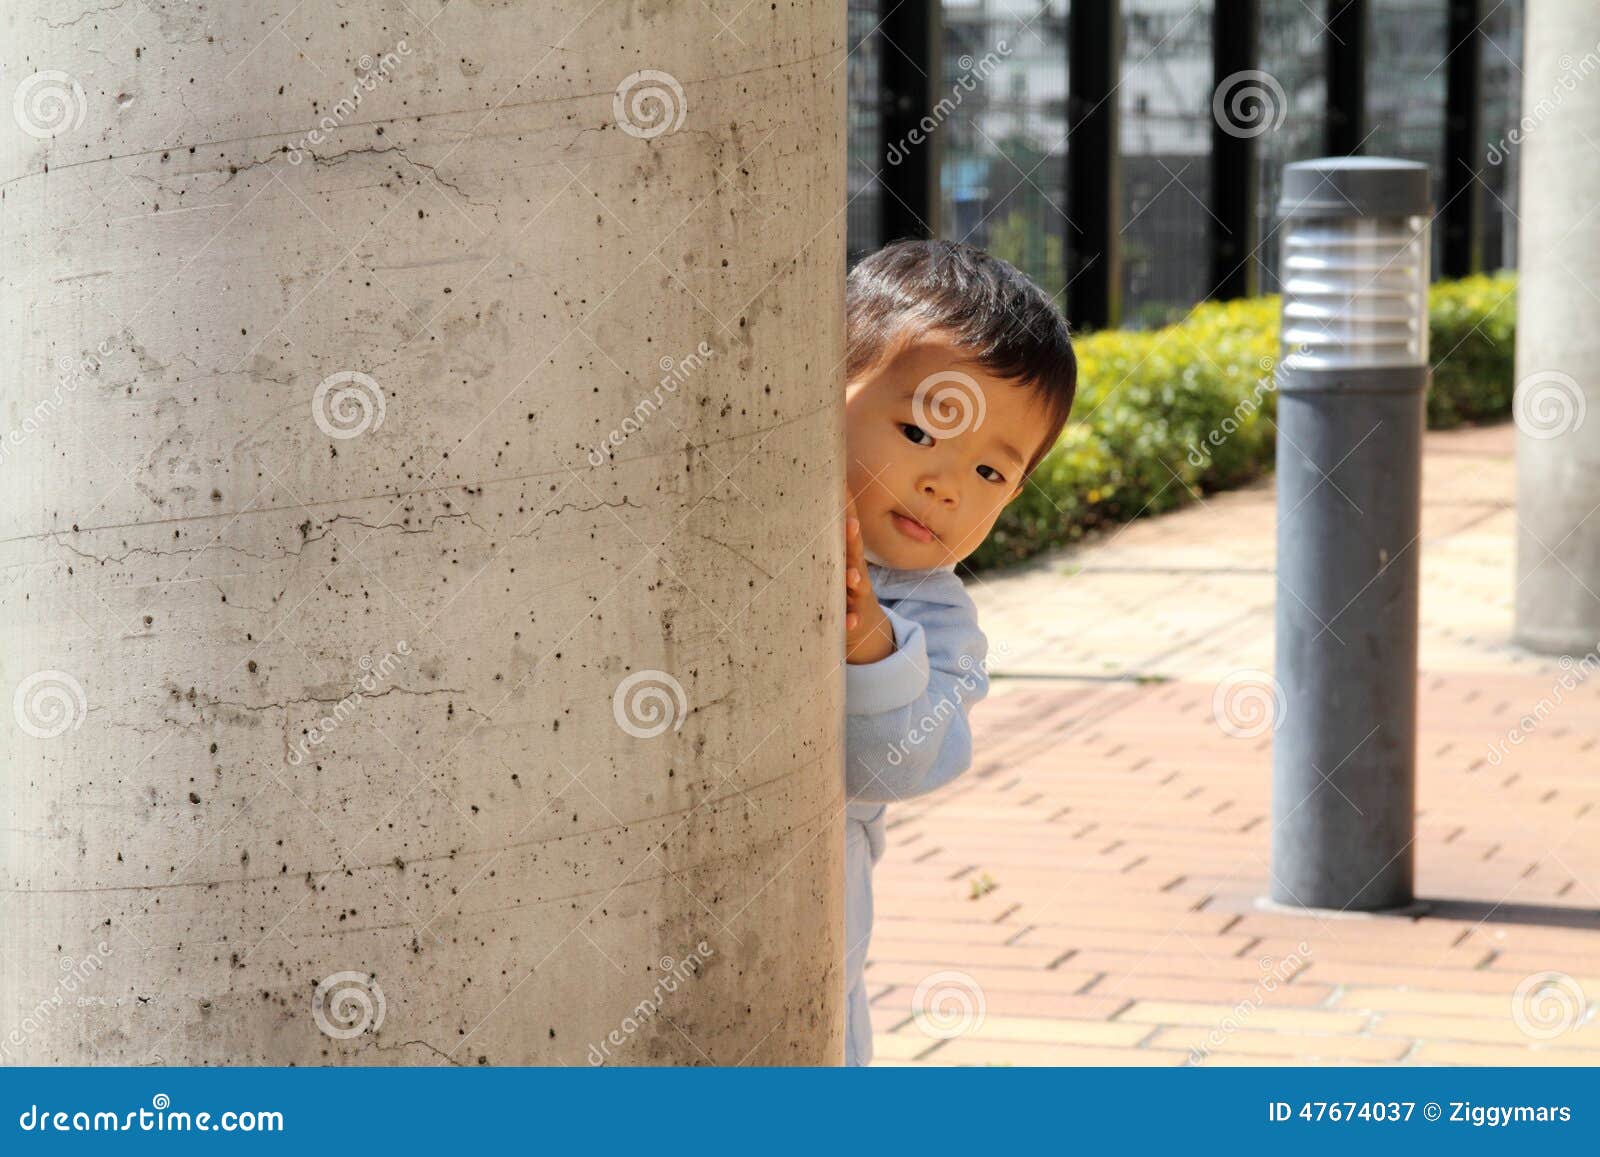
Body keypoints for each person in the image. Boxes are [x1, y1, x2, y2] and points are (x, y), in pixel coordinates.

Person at [840, 239, 1078, 1065]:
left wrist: (867, 640)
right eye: (919, 429)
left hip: (815, 904)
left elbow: (897, 765)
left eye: (989, 472)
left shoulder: (937, 619)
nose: (947, 484)